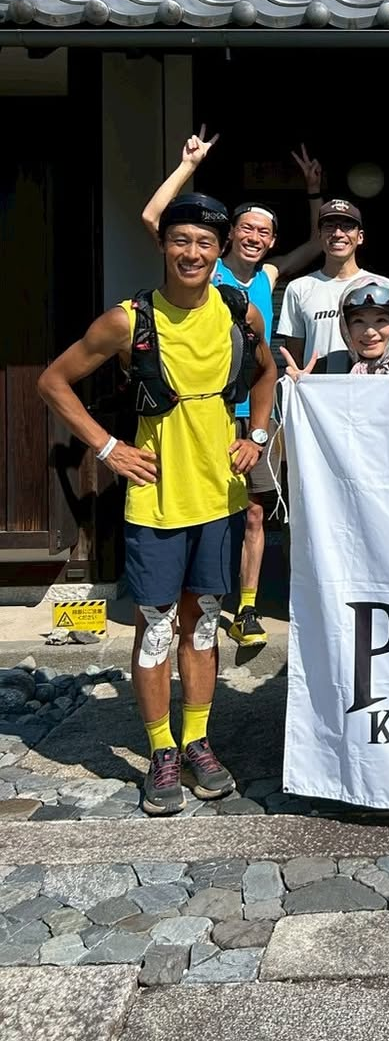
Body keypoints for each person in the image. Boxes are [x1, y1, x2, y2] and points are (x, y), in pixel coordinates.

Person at [37, 193, 276, 816]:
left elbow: (265, 372)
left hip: (219, 495)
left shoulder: (236, 308)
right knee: (157, 627)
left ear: (219, 250)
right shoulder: (128, 320)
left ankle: (197, 740)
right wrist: (108, 446)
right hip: (157, 500)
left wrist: (254, 436)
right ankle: (161, 749)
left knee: (202, 622)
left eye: (203, 242)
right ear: (163, 245)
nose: (192, 253)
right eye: (180, 241)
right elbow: (53, 382)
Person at [142, 129, 325, 648]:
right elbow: (155, 220)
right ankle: (198, 599)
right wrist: (187, 166)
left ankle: (246, 609)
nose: (254, 236)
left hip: (259, 412)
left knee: (253, 510)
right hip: (208, 412)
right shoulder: (206, 266)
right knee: (208, 508)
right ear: (229, 235)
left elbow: (317, 241)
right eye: (246, 227)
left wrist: (313, 189)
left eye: (264, 231)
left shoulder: (269, 275)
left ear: (270, 241)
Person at [279, 199, 389, 376]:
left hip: (372, 389)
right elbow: (295, 354)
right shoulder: (299, 288)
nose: (338, 233)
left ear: (360, 236)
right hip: (319, 392)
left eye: (347, 226)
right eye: (329, 226)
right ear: (319, 235)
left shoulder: (382, 286)